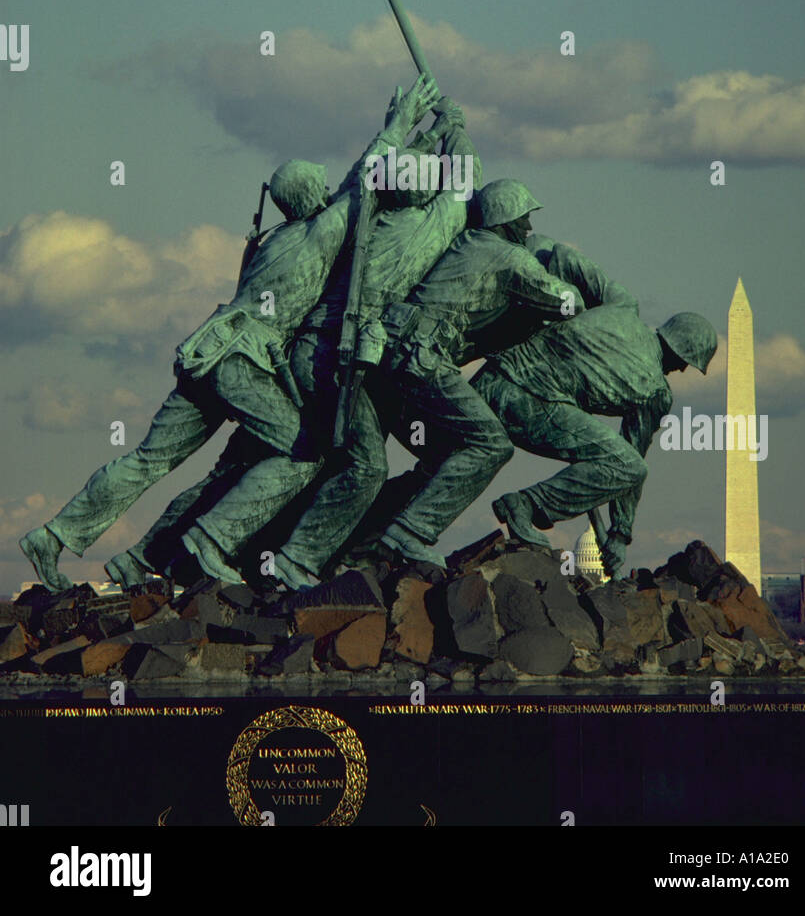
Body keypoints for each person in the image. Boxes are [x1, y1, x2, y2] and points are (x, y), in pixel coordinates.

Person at [19, 75, 439, 591]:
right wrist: (397, 125)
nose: (330, 192)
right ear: (312, 197)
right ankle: (208, 542)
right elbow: (362, 184)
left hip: (204, 352)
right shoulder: (317, 234)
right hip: (242, 362)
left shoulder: (272, 240)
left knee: (147, 460)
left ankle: (55, 536)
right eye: (321, 188)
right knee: (299, 452)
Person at [357, 180, 585, 567]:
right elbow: (569, 303)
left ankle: (364, 537)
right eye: (524, 218)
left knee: (445, 454)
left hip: (393, 355)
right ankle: (407, 535)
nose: (528, 228)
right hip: (421, 359)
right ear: (505, 219)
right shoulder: (509, 258)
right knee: (490, 444)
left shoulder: (466, 244)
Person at [480, 237, 717, 577]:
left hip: (494, 376)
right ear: (681, 357)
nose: (680, 371)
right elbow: (630, 468)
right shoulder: (655, 392)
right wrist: (620, 534)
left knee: (446, 459)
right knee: (628, 466)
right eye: (685, 364)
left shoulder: (622, 305)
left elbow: (559, 256)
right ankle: (526, 505)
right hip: (527, 404)